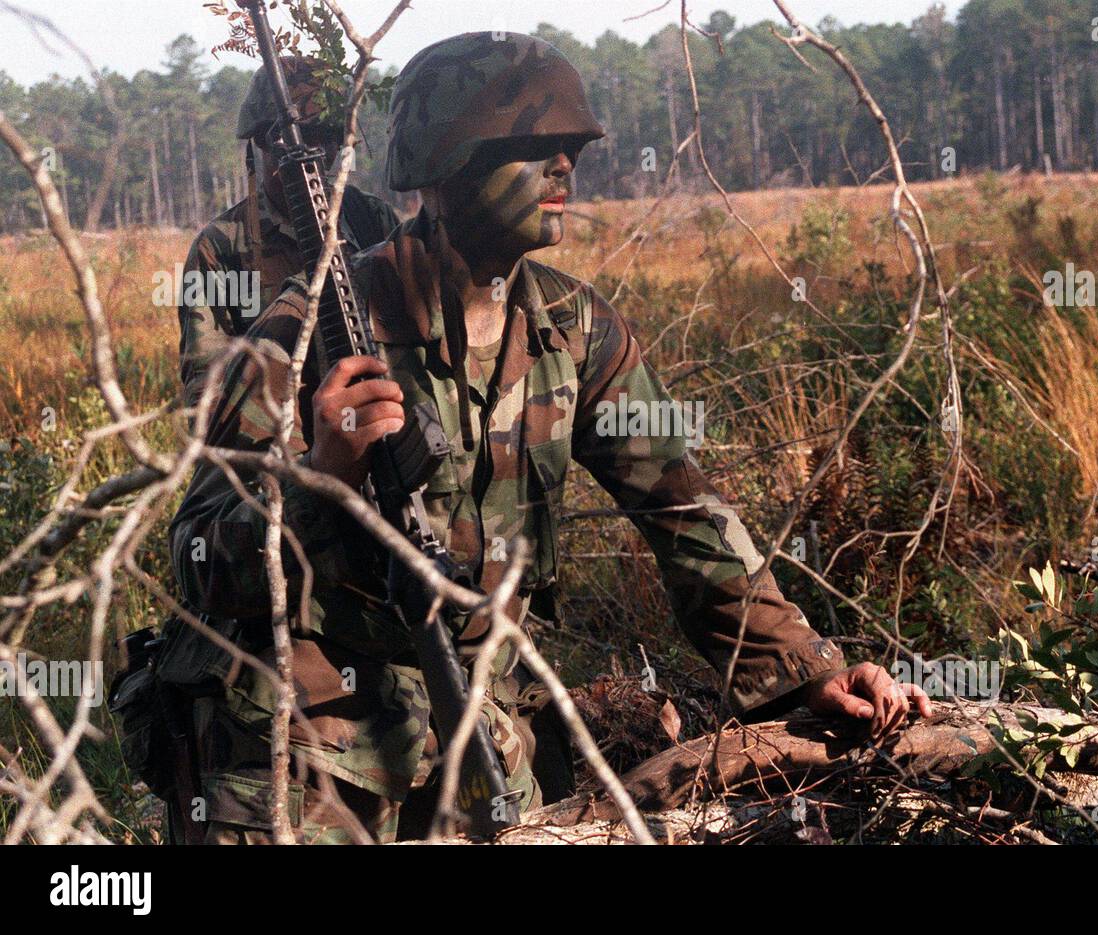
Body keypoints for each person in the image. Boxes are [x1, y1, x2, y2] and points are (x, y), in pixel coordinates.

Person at [167, 32, 931, 844]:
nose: (566, 167)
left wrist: (806, 669)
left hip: (474, 735)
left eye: (571, 147)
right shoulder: (307, 328)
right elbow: (197, 560)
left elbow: (684, 514)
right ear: (446, 163)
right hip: (302, 756)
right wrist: (322, 474)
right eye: (535, 148)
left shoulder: (574, 328)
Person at [177, 55, 399, 410]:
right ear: (261, 144)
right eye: (290, 138)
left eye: (326, 137)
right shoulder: (222, 247)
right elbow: (206, 390)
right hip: (279, 443)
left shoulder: (370, 219)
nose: (311, 153)